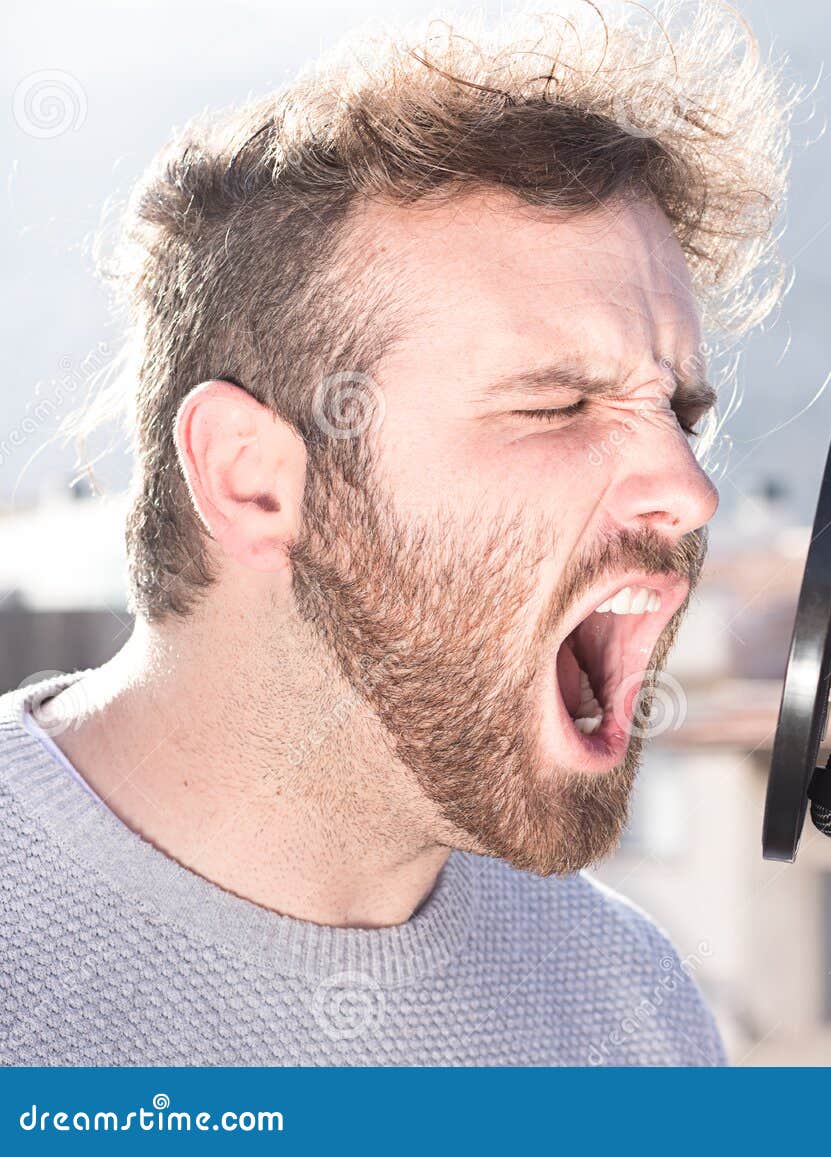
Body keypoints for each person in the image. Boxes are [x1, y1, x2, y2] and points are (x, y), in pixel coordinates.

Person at [0, 1, 790, 1065]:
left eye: (682, 412)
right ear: (254, 480)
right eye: (555, 405)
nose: (689, 490)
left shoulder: (628, 1012)